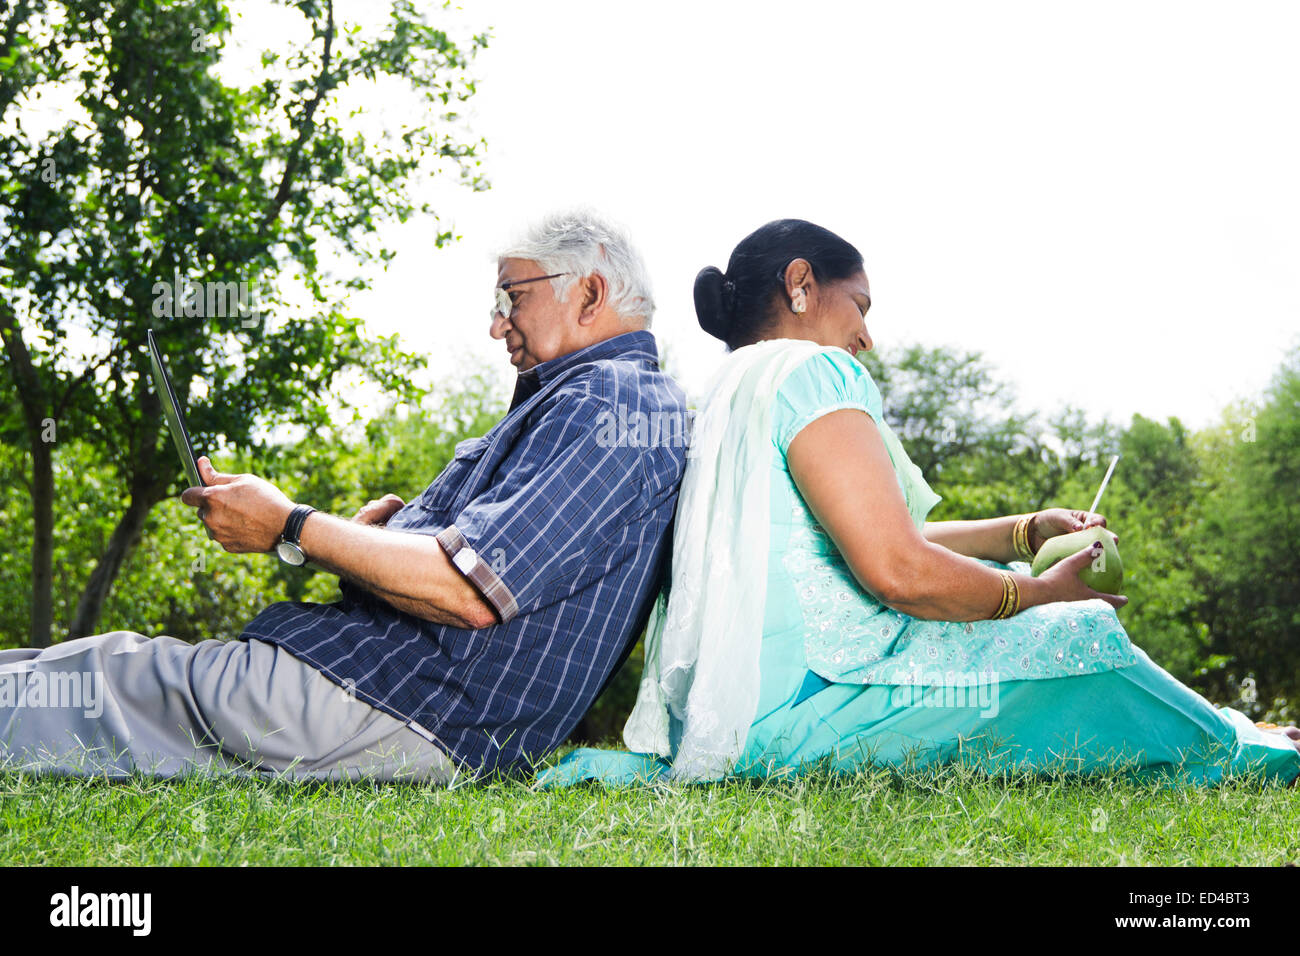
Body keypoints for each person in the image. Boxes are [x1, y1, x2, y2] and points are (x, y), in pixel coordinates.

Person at [542, 218, 1300, 788]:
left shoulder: (725, 391)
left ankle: (1225, 727)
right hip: (802, 715)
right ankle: (1247, 752)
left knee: (1070, 638)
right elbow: (898, 569)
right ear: (801, 284)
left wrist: (1023, 530)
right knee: (1085, 635)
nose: (866, 335)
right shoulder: (813, 372)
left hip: (719, 720)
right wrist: (1033, 594)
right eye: (860, 304)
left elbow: (867, 534)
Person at [0, 209, 689, 783]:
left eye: (513, 297)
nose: (495, 323)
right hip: (401, 690)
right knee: (81, 670)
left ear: (590, 294)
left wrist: (292, 526)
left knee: (104, 678)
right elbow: (476, 569)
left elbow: (470, 591)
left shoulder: (615, 401)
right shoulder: (584, 403)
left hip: (408, 702)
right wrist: (371, 546)